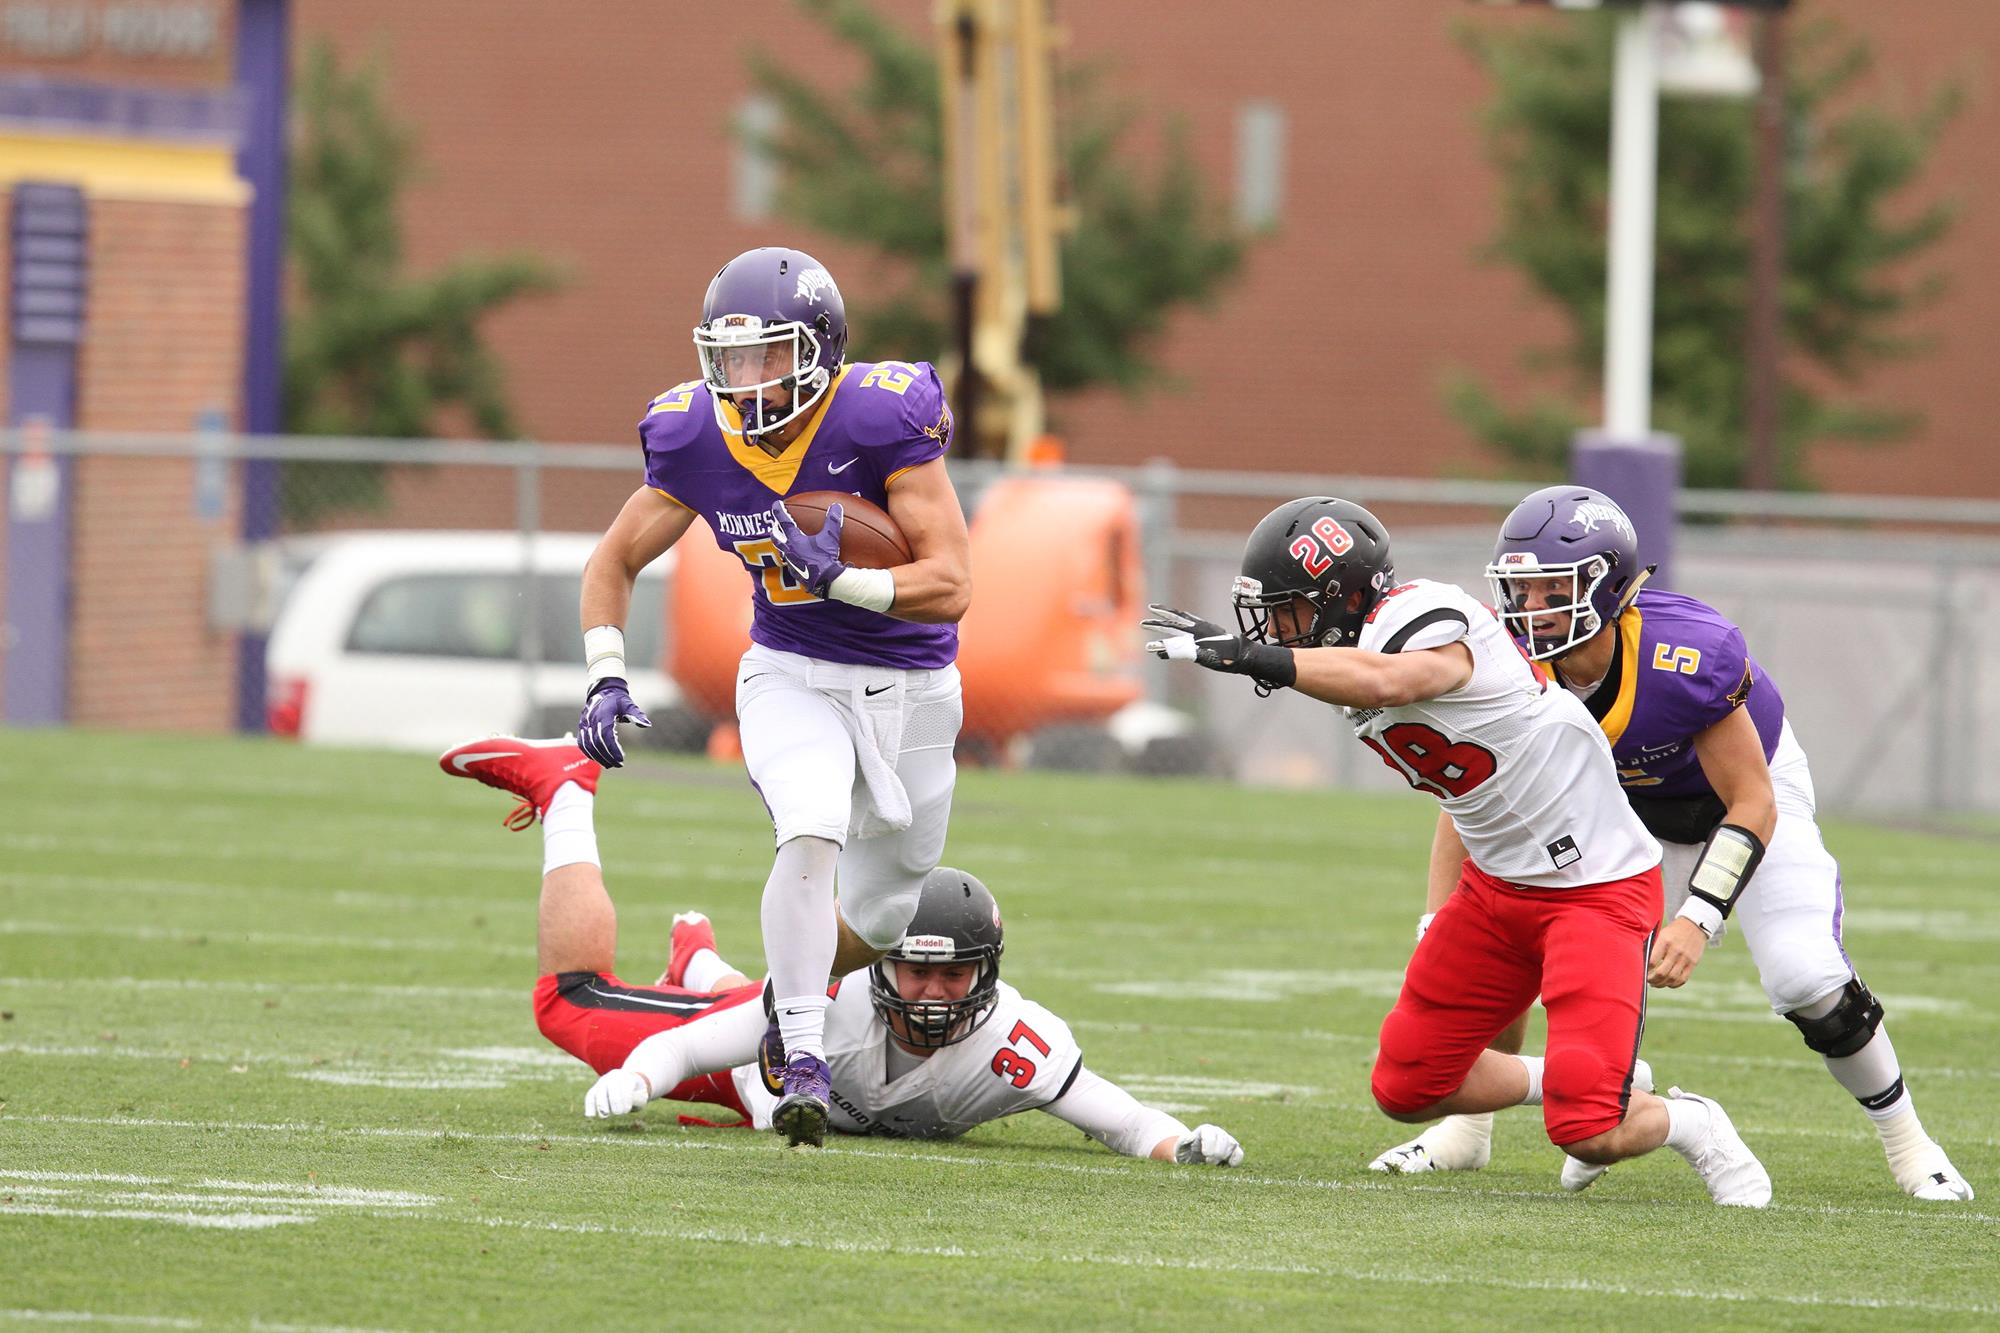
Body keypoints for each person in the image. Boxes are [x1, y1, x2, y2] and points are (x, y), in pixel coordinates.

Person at [1144, 496, 1771, 1206]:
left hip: (1597, 890)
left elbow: (1393, 681)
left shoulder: (1424, 615)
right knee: (1407, 1085)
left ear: (1339, 598)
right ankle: (1578, 1075)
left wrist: (1260, 657)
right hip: (1497, 889)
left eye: (1287, 610)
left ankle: (1693, 1122)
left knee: (1588, 1130)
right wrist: (1434, 914)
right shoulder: (1353, 647)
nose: (1275, 628)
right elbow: (1455, 793)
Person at [1369, 486, 1973, 1202]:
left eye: (1551, 588)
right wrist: (1440, 922)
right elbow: (1475, 803)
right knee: (1516, 924)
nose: (1530, 608)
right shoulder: (1507, 666)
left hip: (1739, 799)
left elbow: (1751, 799)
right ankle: (1472, 1132)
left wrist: (1700, 916)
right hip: (1624, 814)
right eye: (1519, 588)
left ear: (1611, 585)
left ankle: (1908, 1141)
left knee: (1805, 976)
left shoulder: (1684, 655)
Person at [574, 246, 972, 1147]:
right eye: (730, 359)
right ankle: (800, 1055)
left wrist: (848, 580)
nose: (746, 382)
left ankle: (732, 989)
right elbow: (613, 560)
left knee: (882, 910)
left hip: (912, 685)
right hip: (789, 671)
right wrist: (605, 670)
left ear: (823, 350)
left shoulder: (878, 416)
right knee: (811, 823)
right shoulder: (695, 434)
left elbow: (952, 582)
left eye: (769, 356)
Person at [439, 733, 1245, 1166]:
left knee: (730, 1004)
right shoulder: (828, 996)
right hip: (746, 1062)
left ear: (988, 972)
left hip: (777, 1069)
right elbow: (689, 1045)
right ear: (873, 959)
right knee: (568, 1003)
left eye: (952, 972)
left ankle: (698, 961)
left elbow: (1128, 1125)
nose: (931, 991)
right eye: (915, 968)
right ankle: (567, 785)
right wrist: (641, 1077)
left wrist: (1189, 1146)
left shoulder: (1016, 1046)